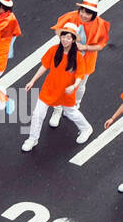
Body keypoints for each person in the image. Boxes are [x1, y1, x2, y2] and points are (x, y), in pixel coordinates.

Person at [22, 24, 92, 153]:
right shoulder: (53, 50)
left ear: (73, 40)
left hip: (66, 91)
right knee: (38, 114)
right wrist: (32, 81)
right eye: (63, 36)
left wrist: (74, 86)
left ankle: (86, 128)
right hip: (49, 88)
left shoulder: (77, 57)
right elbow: (44, 66)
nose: (65, 40)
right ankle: (32, 139)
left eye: (68, 37)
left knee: (71, 112)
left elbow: (80, 75)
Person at [53, 0, 110, 111]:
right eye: (82, 12)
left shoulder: (100, 25)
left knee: (80, 85)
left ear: (93, 15)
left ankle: (75, 104)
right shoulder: (71, 17)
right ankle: (57, 110)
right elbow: (58, 31)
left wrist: (85, 47)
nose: (84, 15)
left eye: (87, 13)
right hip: (67, 57)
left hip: (86, 60)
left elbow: (100, 45)